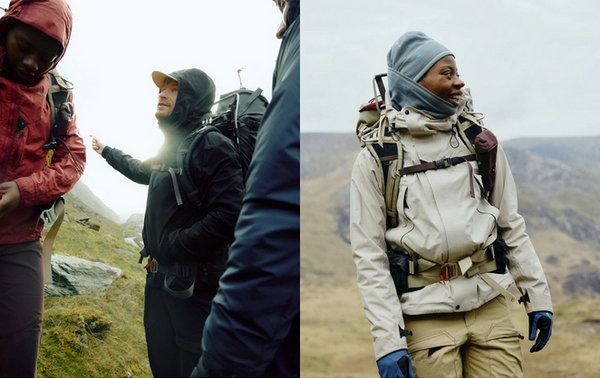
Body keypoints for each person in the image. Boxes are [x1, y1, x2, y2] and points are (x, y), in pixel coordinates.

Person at [350, 31, 553, 377]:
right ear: (414, 83)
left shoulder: (479, 142)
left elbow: (510, 224)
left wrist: (538, 298)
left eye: (457, 73)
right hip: (425, 319)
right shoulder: (377, 158)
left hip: (490, 307)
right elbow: (369, 257)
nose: (459, 82)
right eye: (447, 74)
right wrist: (389, 343)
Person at [90, 68, 243, 377]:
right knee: (162, 365)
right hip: (158, 282)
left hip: (193, 288)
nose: (162, 93)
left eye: (173, 89)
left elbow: (230, 215)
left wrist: (174, 245)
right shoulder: (172, 148)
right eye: (162, 89)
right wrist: (107, 151)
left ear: (190, 98)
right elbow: (139, 169)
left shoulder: (212, 146)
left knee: (193, 368)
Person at [191, 0, 300, 376]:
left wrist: (222, 361)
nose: (280, 17)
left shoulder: (309, 40)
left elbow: (277, 214)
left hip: (259, 332)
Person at [0, 0, 85, 375]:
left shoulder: (59, 98)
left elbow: (74, 160)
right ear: (6, 28)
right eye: (25, 47)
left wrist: (24, 190)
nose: (33, 63)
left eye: (48, 57)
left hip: (19, 244)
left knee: (19, 357)